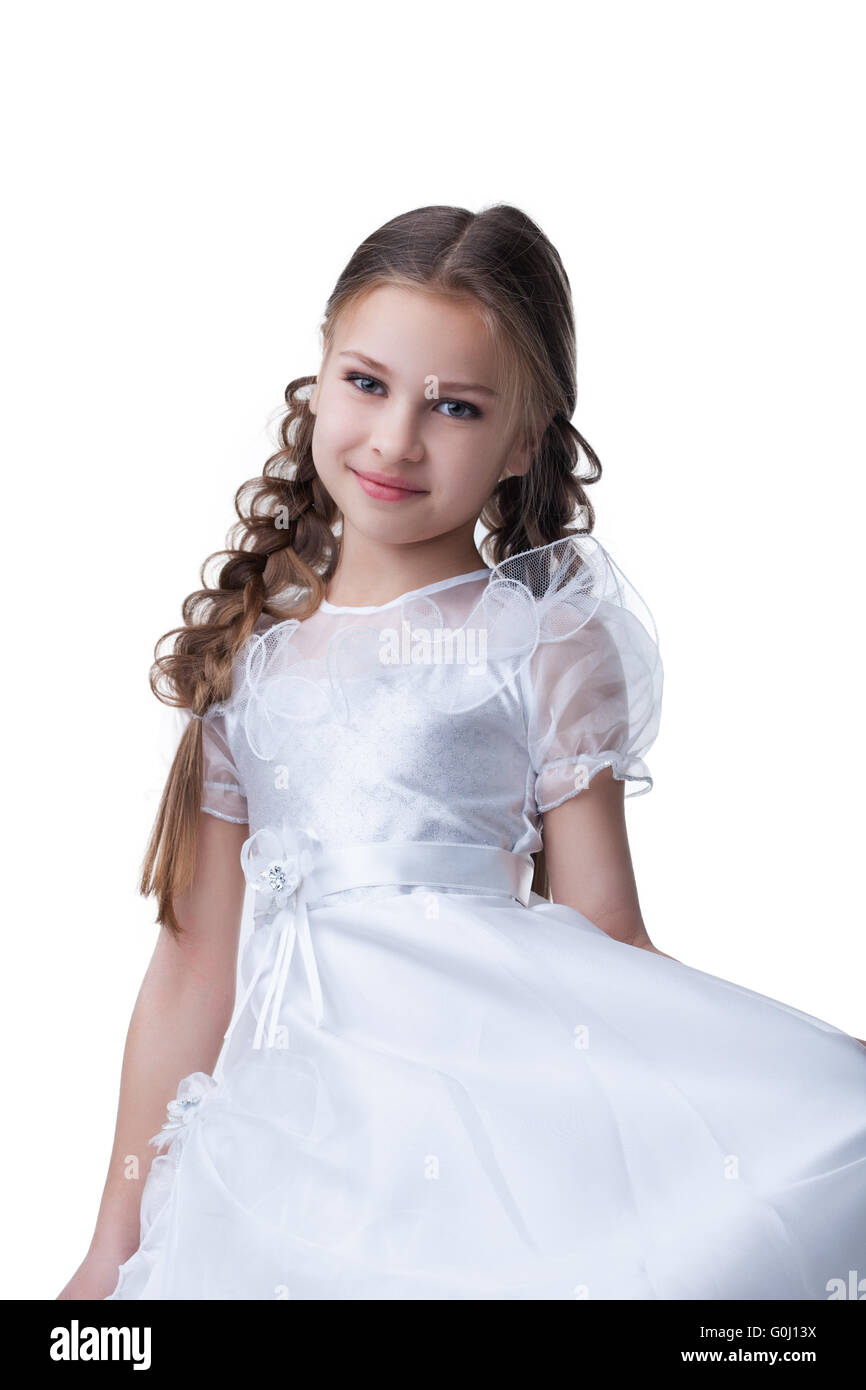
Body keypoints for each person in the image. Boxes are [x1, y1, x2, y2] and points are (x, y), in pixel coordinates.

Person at [58, 203, 866, 1301]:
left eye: (455, 406)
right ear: (317, 381)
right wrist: (112, 1240)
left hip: (480, 1134)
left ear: (522, 440)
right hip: (282, 1142)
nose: (396, 438)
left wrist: (776, 1107)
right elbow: (192, 969)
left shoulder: (538, 634)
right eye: (366, 383)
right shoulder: (250, 655)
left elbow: (601, 929)